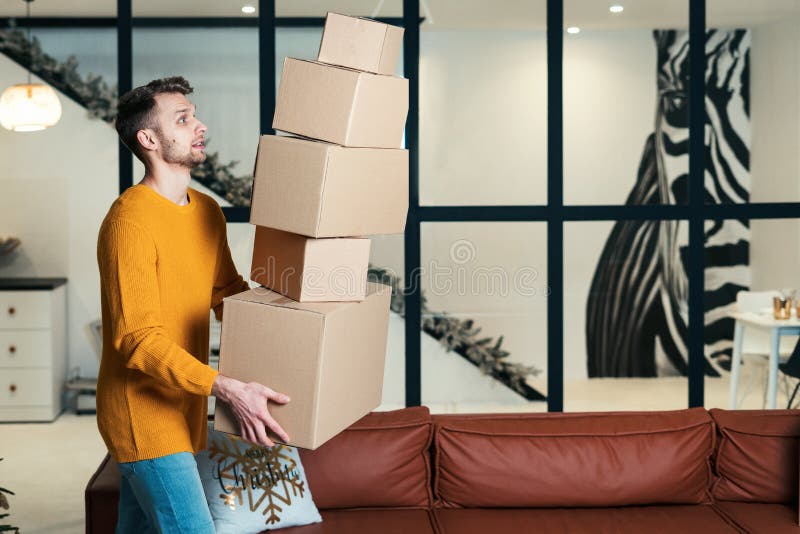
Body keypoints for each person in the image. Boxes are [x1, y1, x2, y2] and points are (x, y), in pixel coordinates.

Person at [96, 76, 289, 533]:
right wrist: (226, 387)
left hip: (184, 405)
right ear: (149, 139)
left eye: (194, 115)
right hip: (142, 415)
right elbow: (136, 340)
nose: (199, 125)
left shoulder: (206, 210)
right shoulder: (129, 221)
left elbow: (224, 290)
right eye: (182, 119)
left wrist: (288, 324)